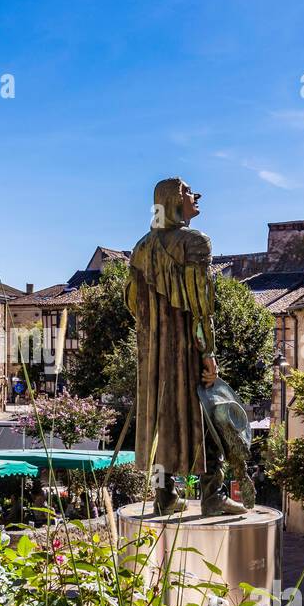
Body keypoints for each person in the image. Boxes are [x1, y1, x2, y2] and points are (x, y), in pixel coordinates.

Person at [126, 177, 233, 515]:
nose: (195, 195)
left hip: (154, 355)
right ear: (172, 201)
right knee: (210, 417)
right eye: (188, 191)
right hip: (186, 350)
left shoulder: (141, 248)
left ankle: (165, 496)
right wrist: (208, 353)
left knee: (159, 423)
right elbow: (201, 304)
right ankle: (213, 496)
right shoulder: (194, 243)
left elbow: (132, 303)